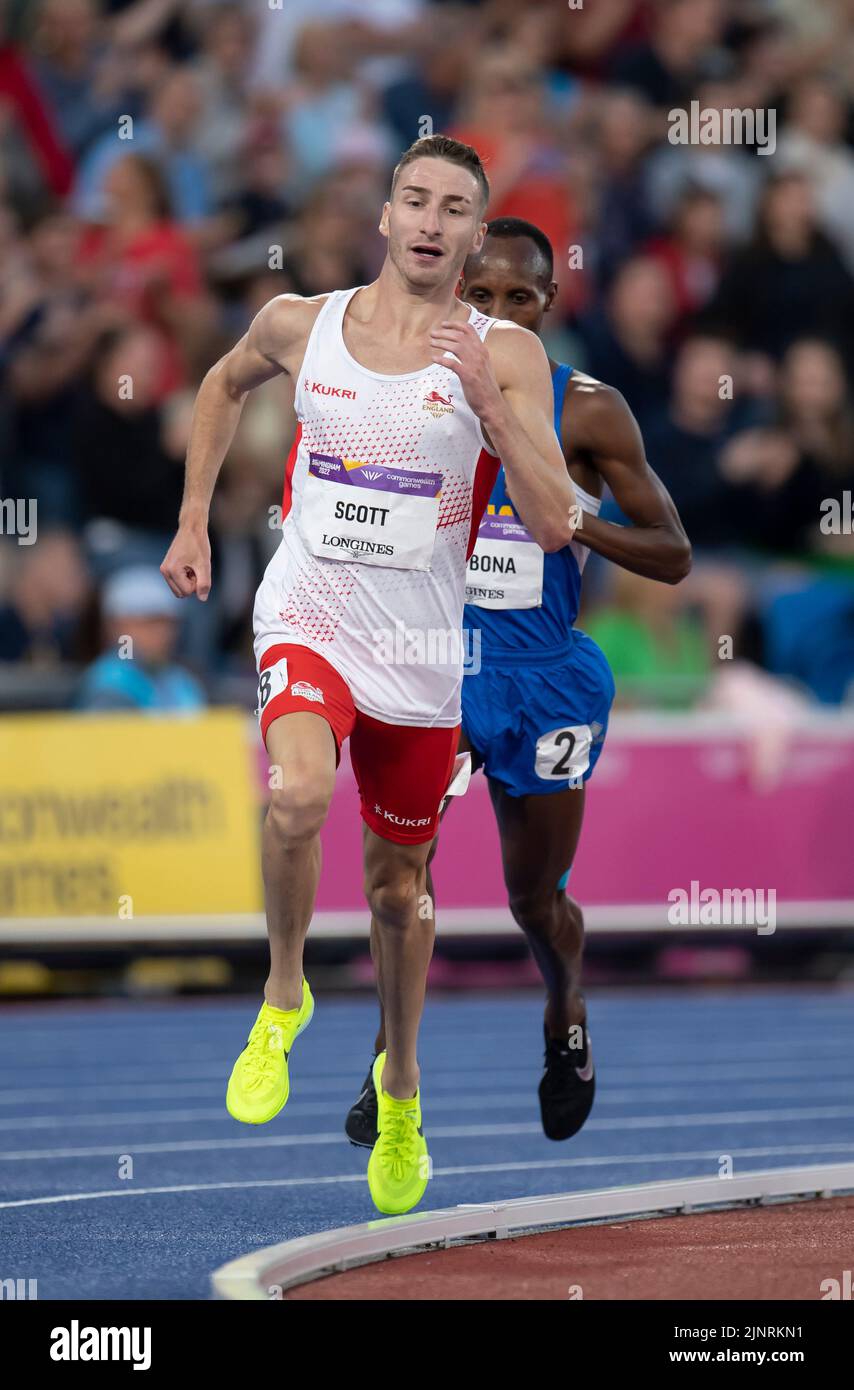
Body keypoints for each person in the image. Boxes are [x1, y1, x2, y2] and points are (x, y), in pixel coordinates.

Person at [160, 136, 577, 1216]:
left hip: (420, 654)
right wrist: (195, 515)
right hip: (309, 612)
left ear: (475, 234)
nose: (432, 222)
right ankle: (284, 995)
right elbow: (218, 380)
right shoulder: (303, 322)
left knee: (398, 889)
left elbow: (551, 522)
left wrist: (489, 403)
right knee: (295, 793)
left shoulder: (507, 355)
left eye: (455, 209)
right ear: (386, 215)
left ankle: (400, 1085)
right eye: (415, 200)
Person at [344, 217, 691, 1150]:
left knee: (532, 899)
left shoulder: (587, 410)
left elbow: (673, 555)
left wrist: (574, 522)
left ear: (550, 304)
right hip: (436, 675)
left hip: (544, 681)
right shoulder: (397, 391)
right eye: (481, 296)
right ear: (453, 291)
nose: (497, 314)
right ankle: (393, 1059)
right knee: (402, 875)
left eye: (519, 299)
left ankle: (566, 1006)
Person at [76, 565, 205, 711]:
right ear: (116, 626)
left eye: (167, 623)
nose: (162, 634)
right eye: (148, 623)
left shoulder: (181, 680)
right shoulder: (109, 683)